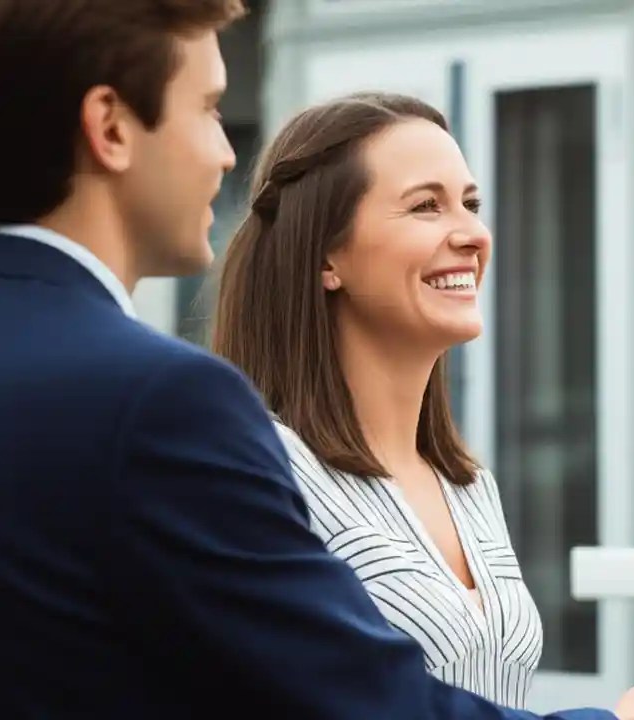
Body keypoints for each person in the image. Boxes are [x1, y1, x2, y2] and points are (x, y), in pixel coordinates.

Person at [0, 1, 634, 718]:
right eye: (208, 108)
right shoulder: (162, 404)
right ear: (110, 126)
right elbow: (367, 700)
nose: (228, 152)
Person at [211, 92, 540, 708]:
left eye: (470, 204)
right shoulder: (269, 472)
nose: (472, 234)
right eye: (426, 206)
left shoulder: (469, 487)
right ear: (326, 256)